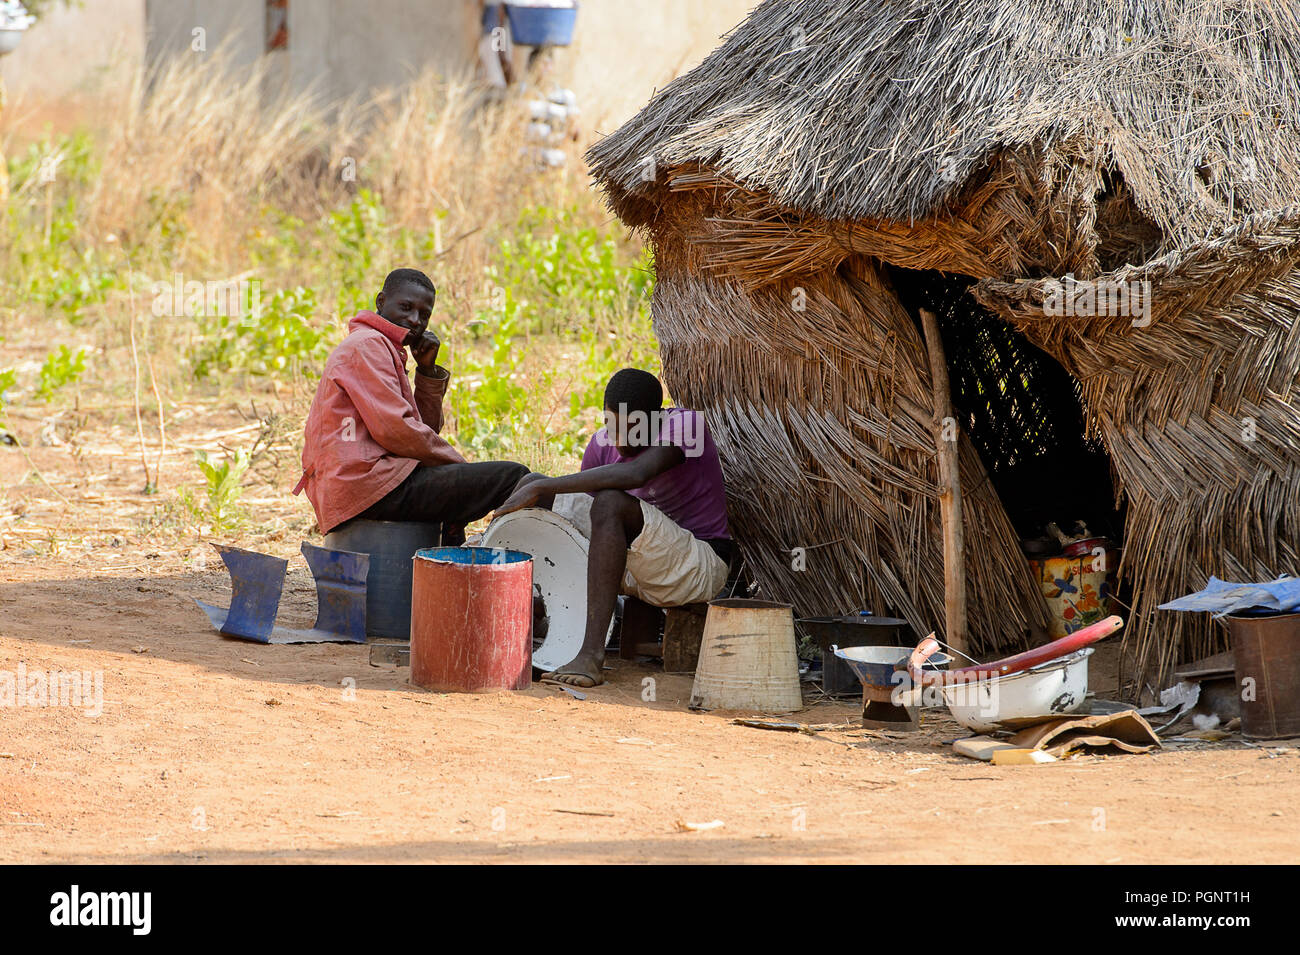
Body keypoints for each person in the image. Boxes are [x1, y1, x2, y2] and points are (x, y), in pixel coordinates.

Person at [496, 368, 731, 686]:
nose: (619, 438)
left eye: (632, 428)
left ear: (655, 418)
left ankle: (590, 656)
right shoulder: (600, 445)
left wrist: (547, 486)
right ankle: (507, 612)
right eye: (612, 425)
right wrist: (540, 488)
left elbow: (637, 474)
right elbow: (583, 527)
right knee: (535, 483)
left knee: (607, 502)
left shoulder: (686, 426)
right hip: (634, 565)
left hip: (694, 567)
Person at [294, 268, 529, 540]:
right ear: (381, 301)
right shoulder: (368, 345)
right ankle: (534, 572)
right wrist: (456, 463)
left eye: (424, 314)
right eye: (406, 307)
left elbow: (421, 430)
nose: (415, 320)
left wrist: (427, 372)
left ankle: (451, 573)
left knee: (455, 507)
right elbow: (396, 431)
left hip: (372, 483)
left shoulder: (385, 347)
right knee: (514, 478)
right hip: (366, 486)